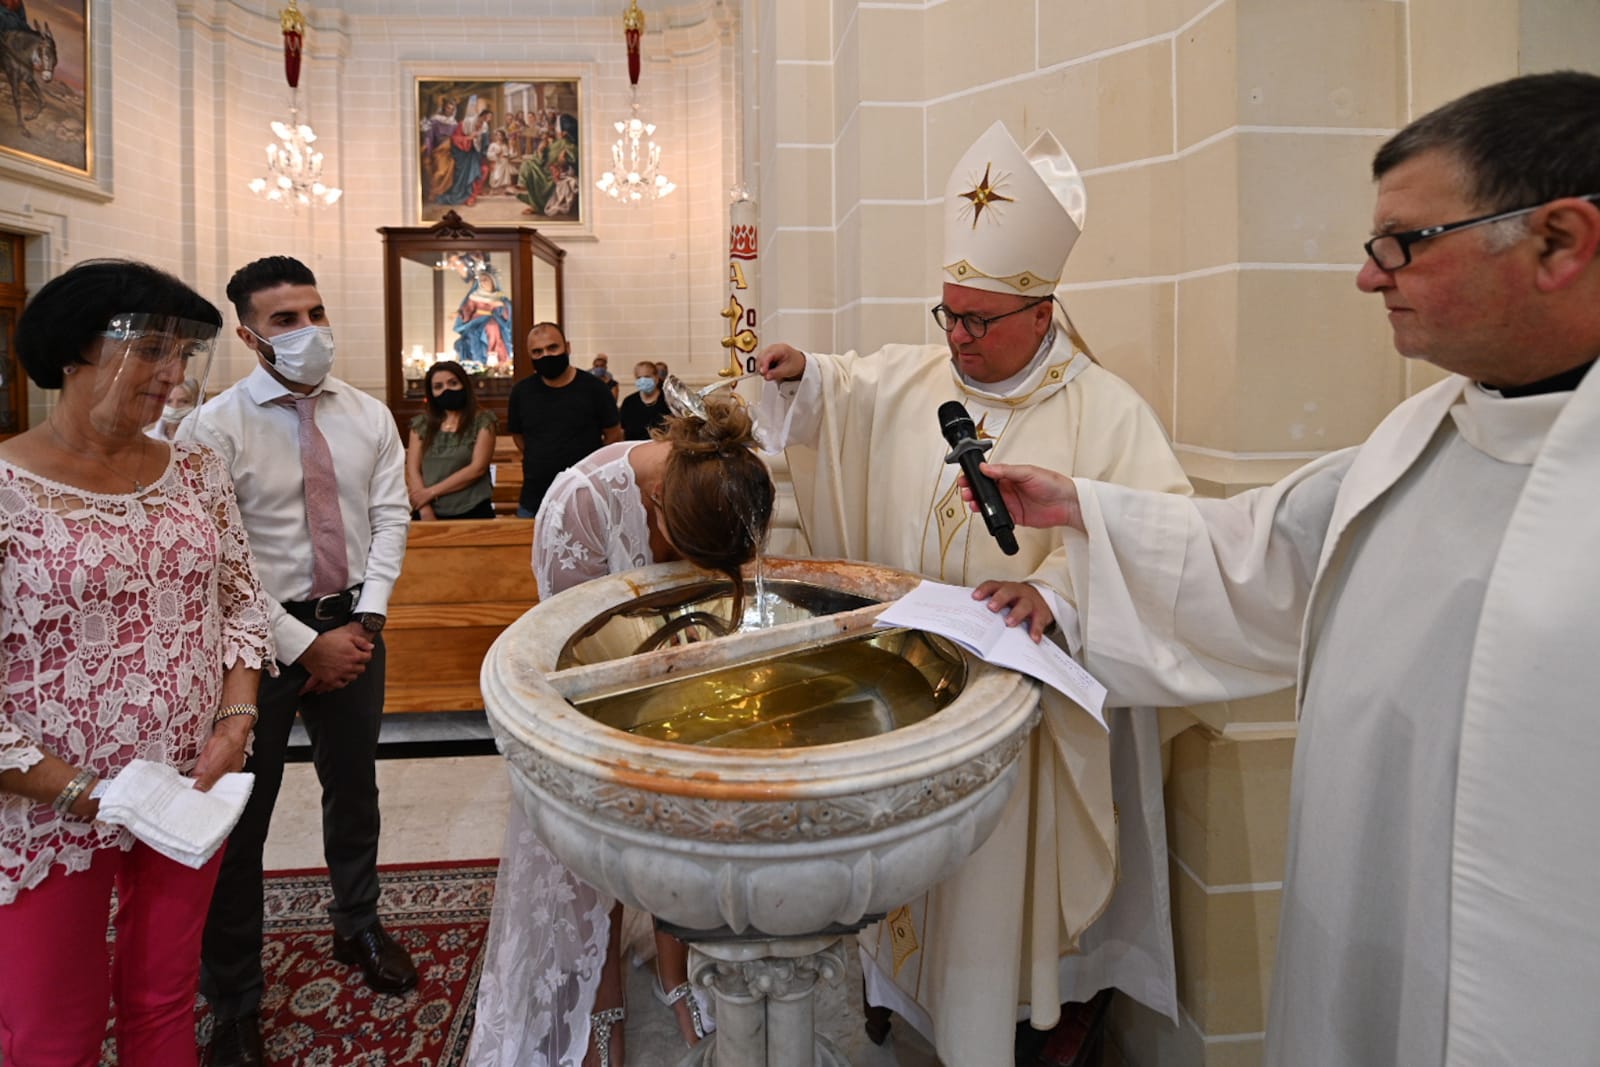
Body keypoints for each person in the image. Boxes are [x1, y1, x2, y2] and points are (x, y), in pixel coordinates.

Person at [965, 71, 1600, 1066]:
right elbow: (1262, 557)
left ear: (1558, 242)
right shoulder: (1420, 434)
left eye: (1403, 242)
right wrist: (1081, 508)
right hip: (1372, 923)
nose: (1369, 277)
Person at [752, 121, 1192, 1062]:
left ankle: (1009, 1011)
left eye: (979, 321)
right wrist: (804, 378)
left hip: (1015, 719)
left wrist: (1059, 593)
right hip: (910, 698)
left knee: (993, 899)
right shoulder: (919, 376)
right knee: (912, 888)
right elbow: (847, 391)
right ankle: (904, 993)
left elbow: (1158, 529)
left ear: (1041, 312)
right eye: (947, 314)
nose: (957, 336)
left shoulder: (1105, 409)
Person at [0, 260, 271, 1065]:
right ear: (72, 352)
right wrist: (83, 791)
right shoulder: (9, 488)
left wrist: (236, 722)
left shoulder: (196, 470)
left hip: (187, 782)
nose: (172, 375)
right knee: (55, 1030)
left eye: (183, 354)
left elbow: (242, 601)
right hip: (47, 807)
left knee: (162, 998)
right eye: (151, 350)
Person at [469, 395, 774, 1067]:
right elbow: (574, 651)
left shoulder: (725, 477)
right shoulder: (577, 506)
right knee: (599, 843)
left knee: (685, 831)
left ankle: (674, 971)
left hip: (690, 678)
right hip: (596, 693)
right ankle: (601, 997)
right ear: (658, 500)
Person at [192, 255, 415, 1066]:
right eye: (285, 320)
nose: (308, 330)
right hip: (255, 644)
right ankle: (235, 999)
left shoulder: (367, 413)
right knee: (241, 816)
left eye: (315, 312)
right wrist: (301, 642)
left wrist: (365, 620)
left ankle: (358, 924)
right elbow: (220, 555)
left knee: (354, 787)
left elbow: (390, 517)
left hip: (354, 627)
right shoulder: (212, 427)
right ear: (249, 335)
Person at [506, 322, 621, 518]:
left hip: (586, 496)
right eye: (537, 352)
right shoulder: (521, 392)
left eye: (553, 348)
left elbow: (613, 435)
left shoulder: (595, 388)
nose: (546, 356)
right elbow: (519, 438)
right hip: (536, 499)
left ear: (567, 347)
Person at [406, 360, 497, 520]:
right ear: (431, 393)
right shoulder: (421, 425)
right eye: (438, 387)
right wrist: (424, 508)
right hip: (427, 510)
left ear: (464, 385)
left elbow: (477, 468)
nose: (446, 390)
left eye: (453, 383)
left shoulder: (483, 421)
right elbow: (413, 469)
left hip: (472, 509)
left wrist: (430, 493)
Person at [619, 360, 669, 440]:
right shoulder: (629, 402)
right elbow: (622, 430)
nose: (643, 380)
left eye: (647, 377)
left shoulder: (667, 401)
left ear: (656, 378)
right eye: (639, 378)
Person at [147, 374, 201, 441]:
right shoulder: (148, 439)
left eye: (184, 401)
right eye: (168, 401)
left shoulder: (204, 439)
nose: (174, 407)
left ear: (196, 403)